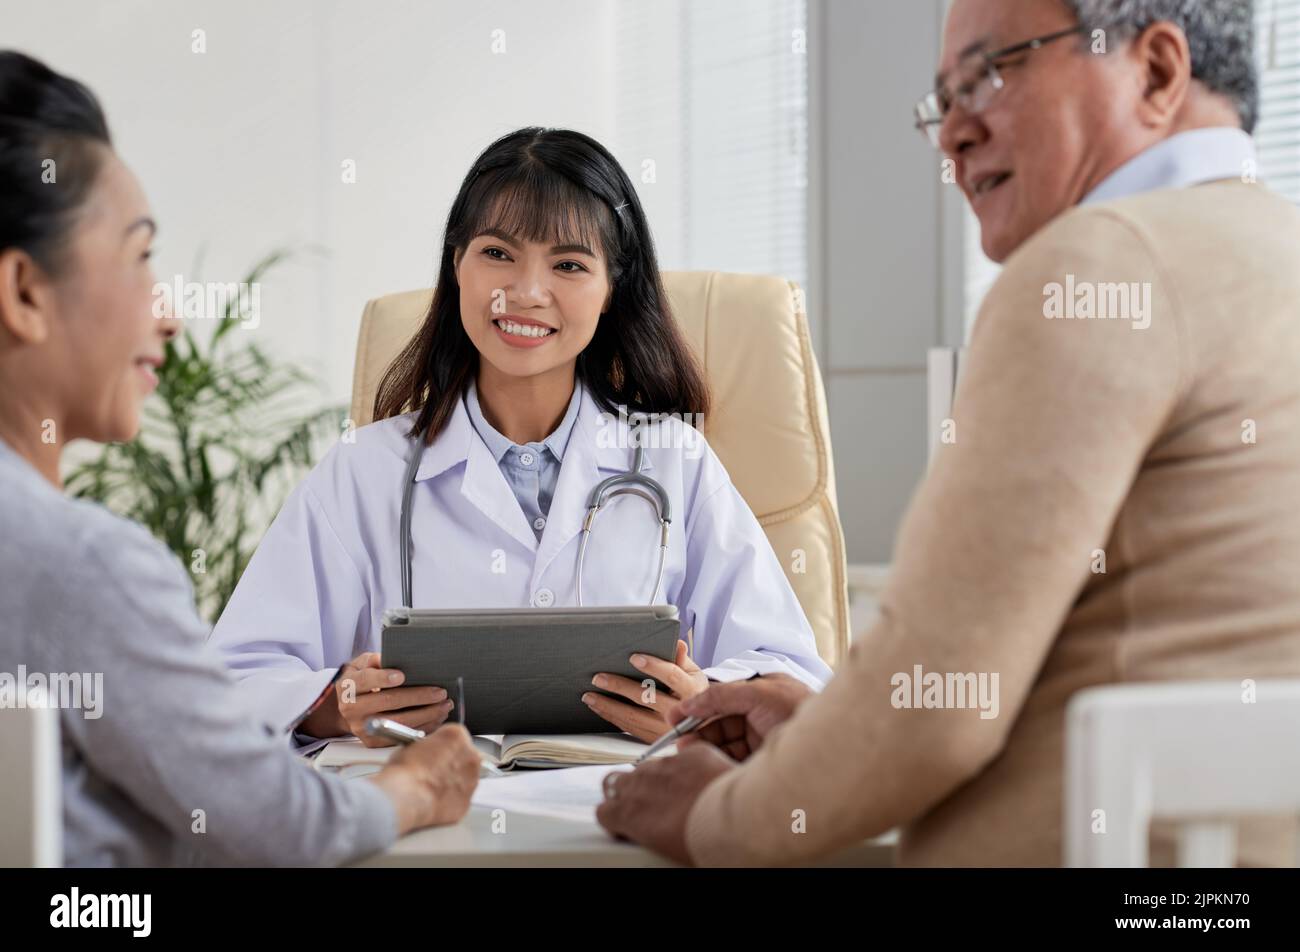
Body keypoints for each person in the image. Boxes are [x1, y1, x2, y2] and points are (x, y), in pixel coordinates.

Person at [596, 0, 1300, 866]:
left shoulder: (1095, 266)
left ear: (1153, 70)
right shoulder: (1273, 250)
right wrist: (831, 734)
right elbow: (1138, 657)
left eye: (991, 73)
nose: (953, 134)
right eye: (944, 99)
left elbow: (935, 716)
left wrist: (715, 813)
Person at [0, 50, 482, 866]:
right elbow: (277, 821)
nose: (170, 319)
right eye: (140, 256)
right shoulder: (75, 563)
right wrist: (415, 783)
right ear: (23, 293)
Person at [209, 127, 831, 747]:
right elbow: (230, 684)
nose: (526, 293)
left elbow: (793, 675)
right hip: (429, 821)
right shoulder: (363, 471)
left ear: (612, 287)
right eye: (497, 254)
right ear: (457, 266)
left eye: (568, 264)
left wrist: (702, 705)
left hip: (622, 819)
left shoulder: (675, 459)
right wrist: (332, 704)